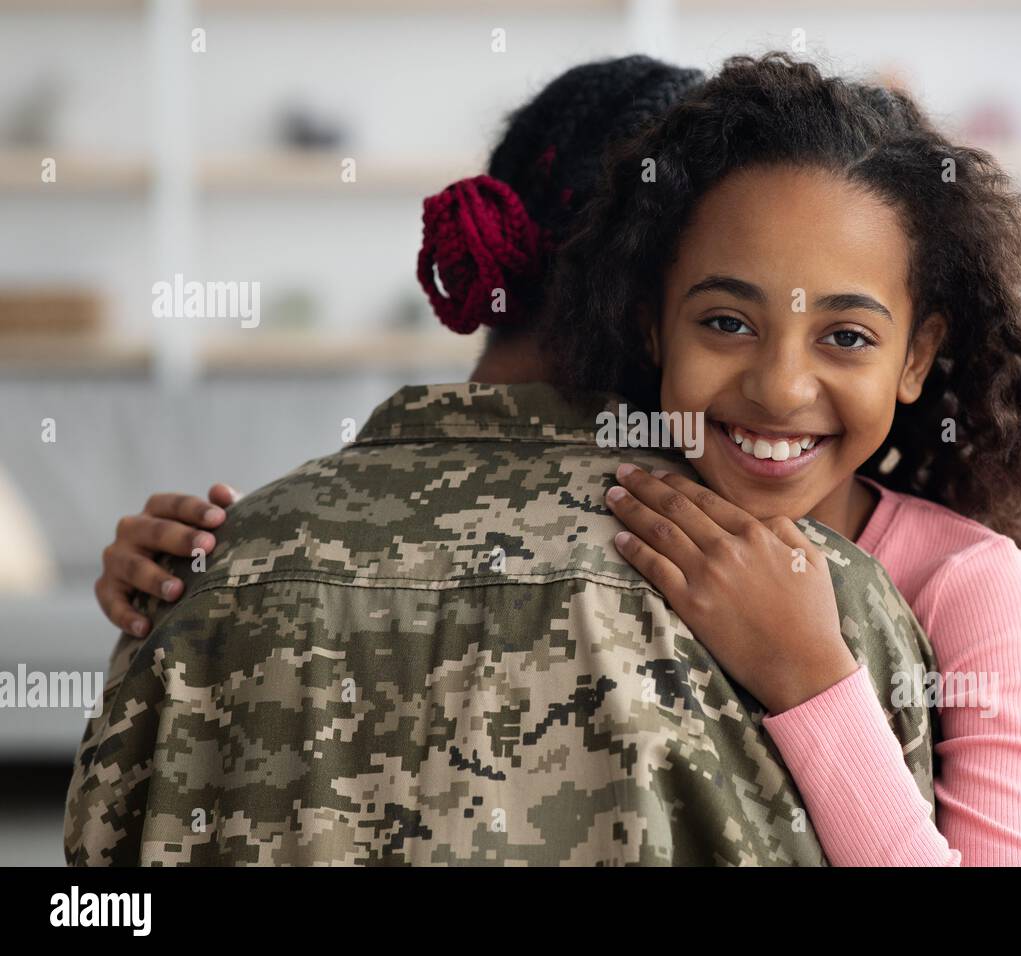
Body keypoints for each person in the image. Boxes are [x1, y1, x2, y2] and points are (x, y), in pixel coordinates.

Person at [69, 56, 939, 866]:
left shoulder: (195, 577)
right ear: (652, 303)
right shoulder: (817, 604)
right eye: (730, 311)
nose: (779, 384)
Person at [543, 53, 1021, 866]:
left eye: (847, 337)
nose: (782, 388)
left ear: (915, 358)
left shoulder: (974, 590)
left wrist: (810, 676)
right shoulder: (584, 530)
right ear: (654, 324)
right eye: (727, 322)